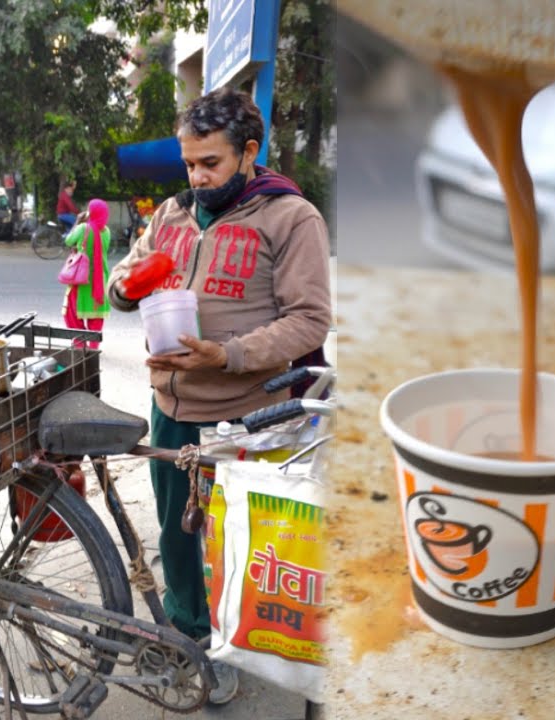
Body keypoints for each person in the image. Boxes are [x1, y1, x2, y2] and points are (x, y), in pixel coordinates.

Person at [106, 87, 332, 705]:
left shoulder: (291, 218)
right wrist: (125, 286)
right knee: (177, 534)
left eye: (211, 163)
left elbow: (309, 320)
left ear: (249, 152)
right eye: (188, 165)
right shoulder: (171, 215)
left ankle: (229, 645)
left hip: (245, 416)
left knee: (234, 542)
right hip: (173, 406)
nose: (198, 178)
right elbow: (124, 280)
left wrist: (226, 355)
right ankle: (188, 634)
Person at [61, 199, 110, 350]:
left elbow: (69, 241)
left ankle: (80, 344)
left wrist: (77, 221)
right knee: (96, 314)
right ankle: (93, 346)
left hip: (82, 278)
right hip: (100, 278)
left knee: (71, 312)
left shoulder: (83, 228)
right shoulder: (107, 231)